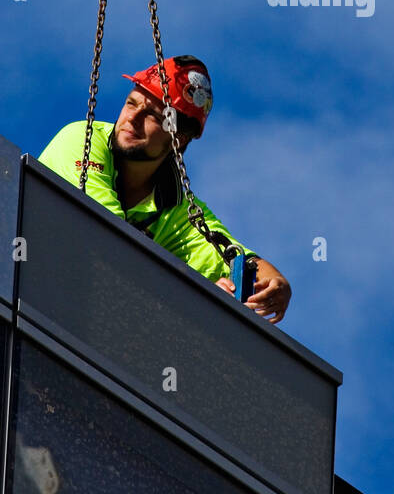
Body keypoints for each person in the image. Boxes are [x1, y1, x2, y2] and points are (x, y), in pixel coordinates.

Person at [38, 56, 291, 323]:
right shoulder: (82, 140)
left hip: (78, 318)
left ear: (178, 139)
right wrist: (197, 297)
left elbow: (230, 255)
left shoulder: (176, 207)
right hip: (29, 286)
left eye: (152, 116)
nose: (131, 118)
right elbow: (107, 236)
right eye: (131, 103)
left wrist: (271, 282)